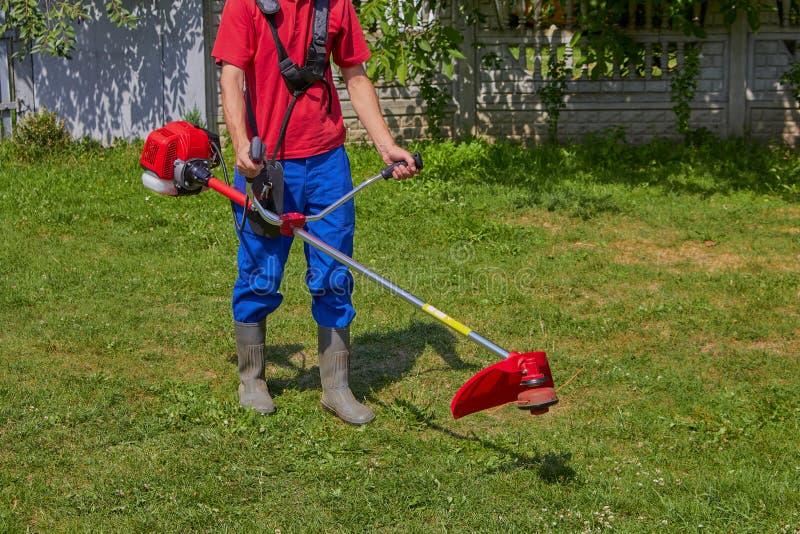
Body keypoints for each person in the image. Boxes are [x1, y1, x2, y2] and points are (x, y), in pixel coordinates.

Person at [212, 0, 419, 425]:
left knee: (335, 273)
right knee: (260, 273)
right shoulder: (246, 4)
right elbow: (231, 77)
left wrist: (385, 145)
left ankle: (336, 386)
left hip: (327, 164)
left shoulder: (335, 3)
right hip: (267, 164)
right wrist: (240, 145)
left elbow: (355, 76)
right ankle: (252, 379)